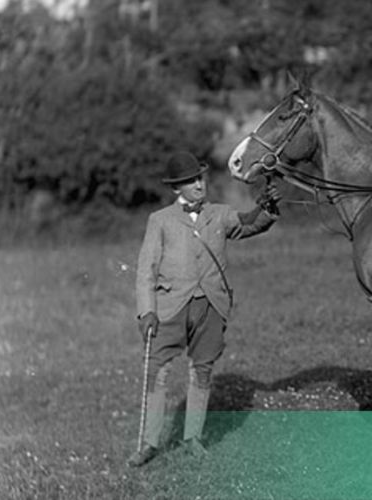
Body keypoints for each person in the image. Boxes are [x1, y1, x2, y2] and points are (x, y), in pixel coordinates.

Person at [127, 151, 281, 467]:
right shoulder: (160, 221)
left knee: (203, 370)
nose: (199, 185)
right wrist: (147, 312)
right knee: (156, 371)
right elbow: (146, 269)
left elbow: (250, 224)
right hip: (169, 308)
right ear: (175, 189)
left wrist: (267, 207)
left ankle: (193, 438)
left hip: (211, 305)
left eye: (200, 178)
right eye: (190, 181)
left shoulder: (220, 214)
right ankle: (150, 443)